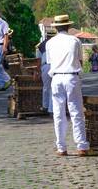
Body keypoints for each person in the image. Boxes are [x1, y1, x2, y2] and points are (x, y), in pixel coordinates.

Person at [44, 13, 89, 157]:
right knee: (76, 112)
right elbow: (80, 61)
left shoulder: (49, 43)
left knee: (58, 113)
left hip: (56, 78)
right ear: (68, 26)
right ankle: (81, 145)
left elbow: (50, 63)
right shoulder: (75, 40)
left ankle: (61, 147)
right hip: (71, 76)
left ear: (56, 28)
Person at [35, 24, 53, 112]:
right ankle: (51, 107)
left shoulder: (41, 45)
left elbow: (38, 60)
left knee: (46, 87)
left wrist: (37, 71)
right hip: (55, 66)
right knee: (55, 88)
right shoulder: (57, 44)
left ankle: (46, 106)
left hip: (46, 66)